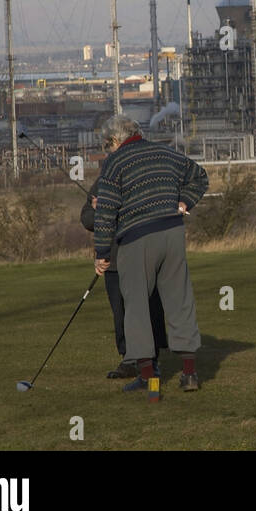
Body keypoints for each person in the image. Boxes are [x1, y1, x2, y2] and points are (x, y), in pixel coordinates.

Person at [93, 115, 209, 399]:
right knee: (180, 300)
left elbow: (106, 211)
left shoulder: (115, 163)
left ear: (114, 141)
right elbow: (200, 177)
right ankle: (190, 373)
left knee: (136, 308)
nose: (107, 151)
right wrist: (184, 202)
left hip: (136, 239)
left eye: (107, 145)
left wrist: (102, 253)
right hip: (172, 232)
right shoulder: (166, 152)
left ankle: (150, 380)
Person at [80, 154, 169, 380]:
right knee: (120, 313)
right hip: (113, 260)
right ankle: (128, 359)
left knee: (148, 309)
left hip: (142, 257)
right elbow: (87, 218)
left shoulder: (144, 180)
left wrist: (114, 209)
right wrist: (101, 212)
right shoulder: (101, 183)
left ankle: (151, 359)